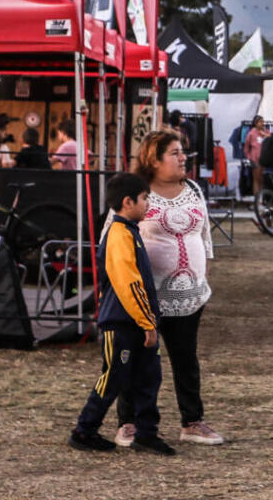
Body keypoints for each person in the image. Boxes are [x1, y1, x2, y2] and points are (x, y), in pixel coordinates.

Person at [114, 130, 223, 447]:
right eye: (175, 153)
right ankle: (128, 422)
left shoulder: (192, 189)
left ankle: (192, 421)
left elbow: (204, 234)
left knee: (185, 358)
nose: (182, 158)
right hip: (145, 294)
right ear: (154, 159)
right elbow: (116, 236)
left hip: (189, 294)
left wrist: (204, 272)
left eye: (182, 152)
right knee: (137, 357)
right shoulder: (135, 191)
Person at [68, 172, 173, 455]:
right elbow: (129, 284)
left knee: (149, 378)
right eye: (144, 198)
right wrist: (147, 323)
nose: (148, 203)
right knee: (113, 377)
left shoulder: (129, 231)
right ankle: (84, 430)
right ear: (128, 202)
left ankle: (147, 433)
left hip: (136, 322)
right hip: (122, 323)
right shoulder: (118, 235)